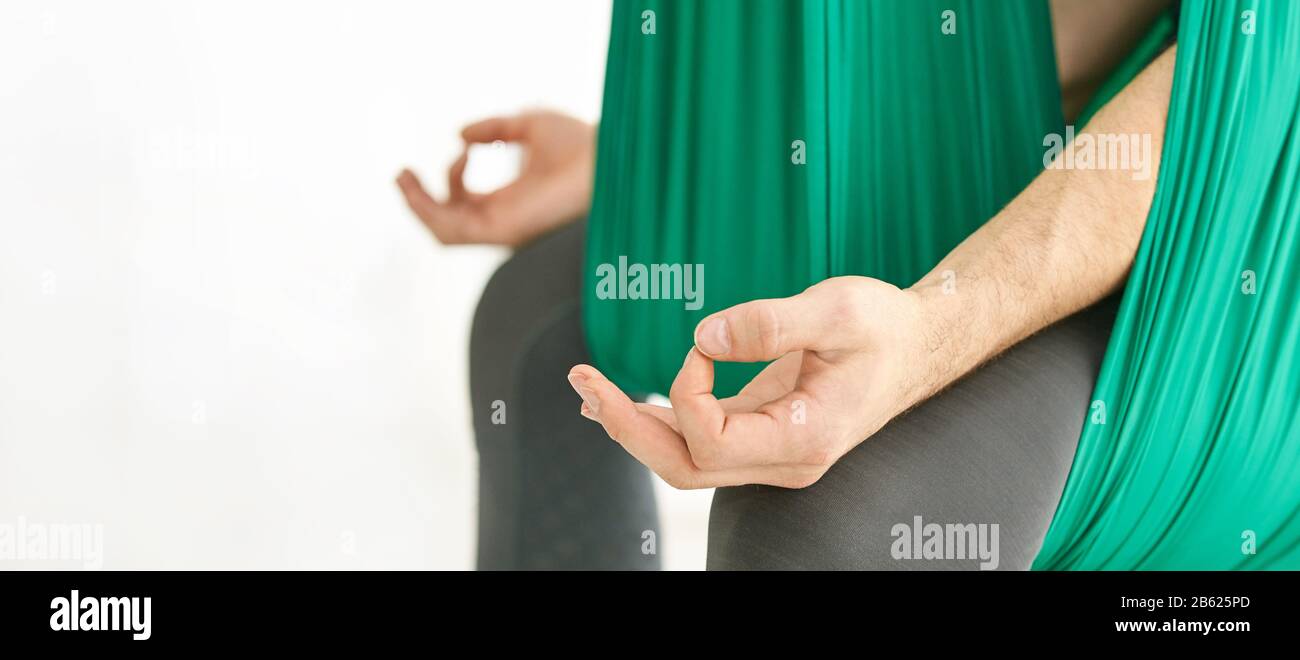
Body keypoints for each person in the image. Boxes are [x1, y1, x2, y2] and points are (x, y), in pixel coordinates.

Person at [396, 0, 1178, 569]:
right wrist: (637, 161)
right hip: (935, 151)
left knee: (814, 526)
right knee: (532, 322)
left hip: (1179, 219)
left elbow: (1230, 91)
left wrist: (937, 327)